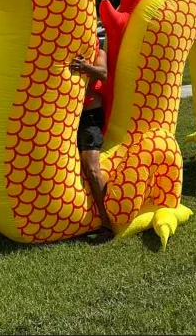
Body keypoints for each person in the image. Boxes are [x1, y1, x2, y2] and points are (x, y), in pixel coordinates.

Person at [71, 45, 114, 243]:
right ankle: (84, 219)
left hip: (90, 117)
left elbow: (103, 74)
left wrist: (85, 67)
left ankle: (109, 222)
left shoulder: (98, 53)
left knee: (92, 169)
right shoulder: (65, 50)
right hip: (68, 118)